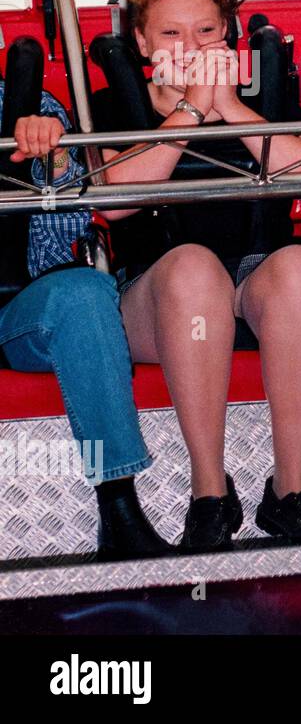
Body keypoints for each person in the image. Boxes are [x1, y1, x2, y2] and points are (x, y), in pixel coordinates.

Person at [95, 0, 301, 551]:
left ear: (227, 38)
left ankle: (292, 490)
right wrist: (188, 117)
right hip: (156, 296)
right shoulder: (111, 106)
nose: (191, 48)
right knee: (193, 268)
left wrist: (229, 107)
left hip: (253, 286)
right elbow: (114, 198)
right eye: (173, 35)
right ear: (144, 44)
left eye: (206, 32)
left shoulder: (260, 106)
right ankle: (210, 493)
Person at [0, 84, 171, 560]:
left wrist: (51, 158)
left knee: (83, 292)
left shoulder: (26, 98)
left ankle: (118, 508)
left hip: (18, 308)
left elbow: (70, 204)